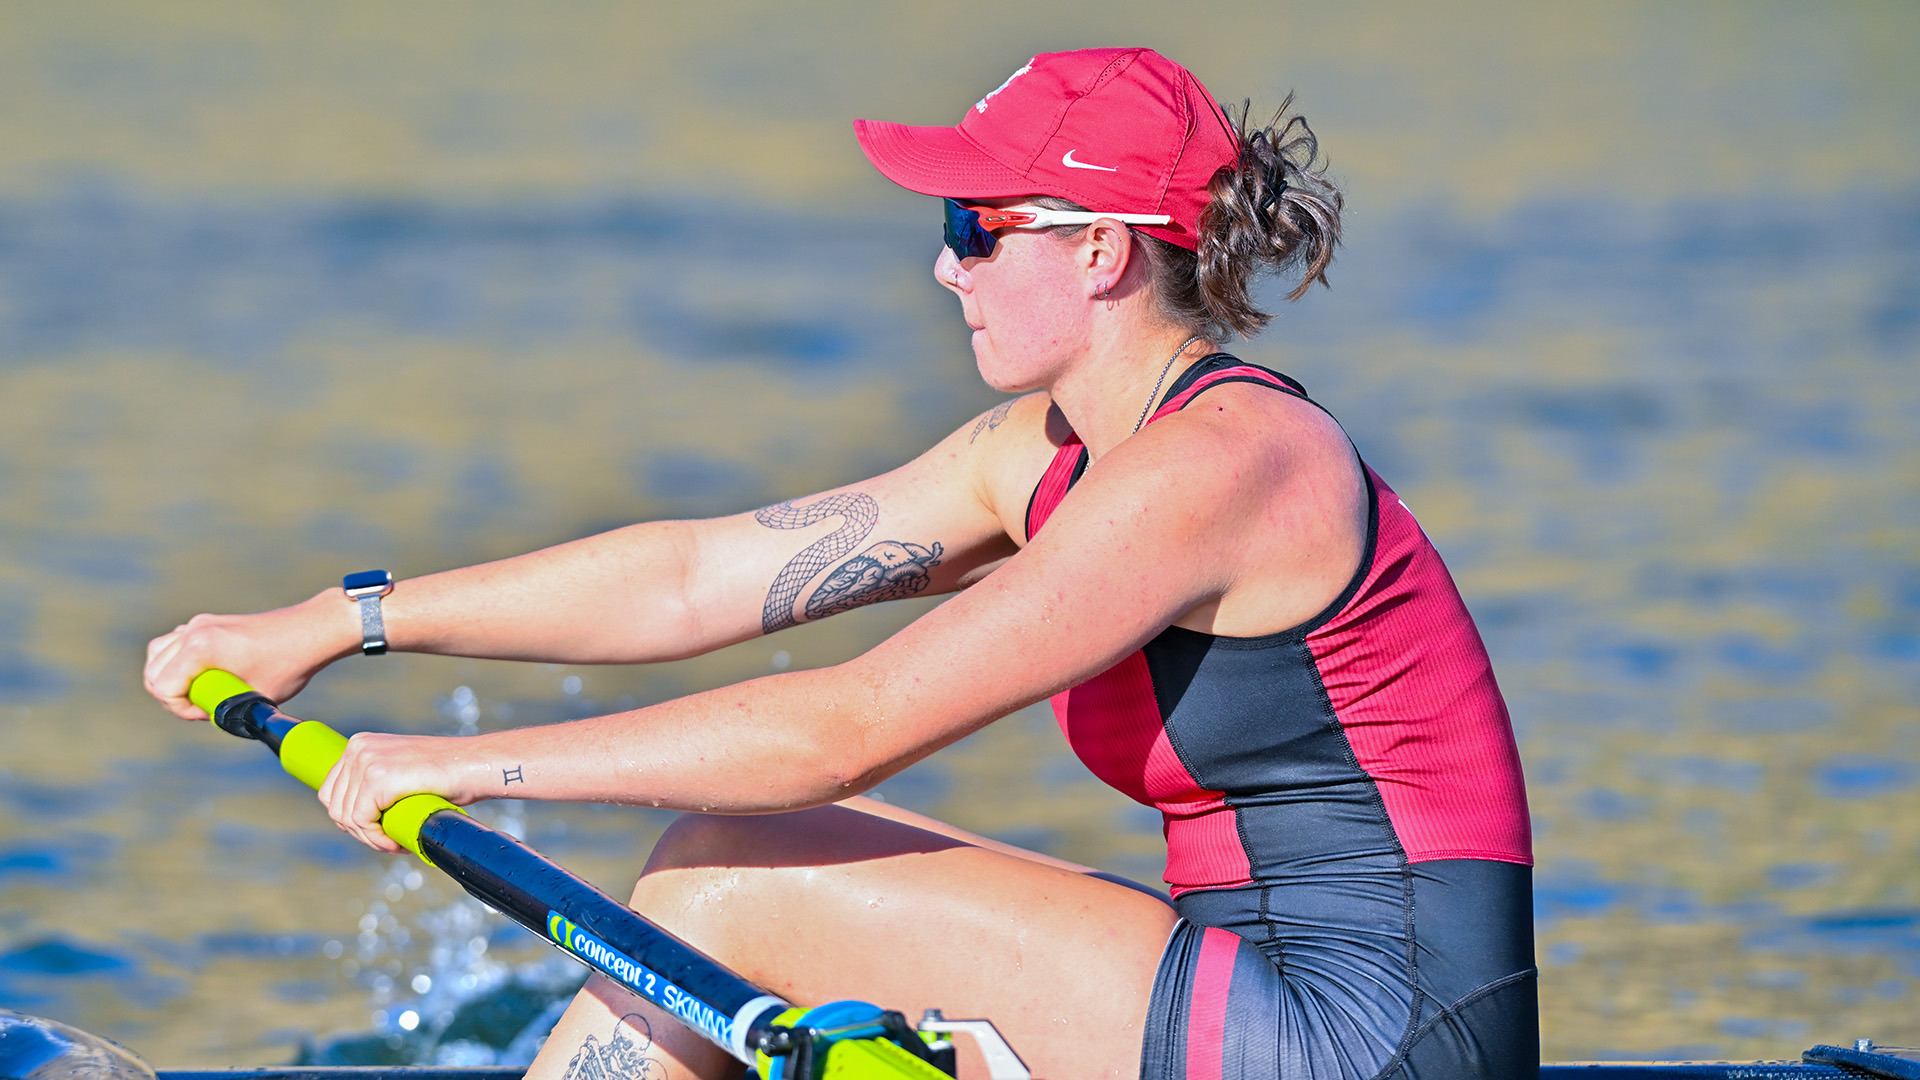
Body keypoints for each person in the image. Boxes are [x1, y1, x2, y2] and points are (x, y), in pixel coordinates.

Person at [144, 47, 1535, 1080]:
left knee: (719, 884)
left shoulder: (1228, 466)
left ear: (1104, 250)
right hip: (1252, 983)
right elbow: (696, 579)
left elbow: (844, 732)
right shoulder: (1040, 454)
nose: (946, 270)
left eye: (972, 228)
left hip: (1377, 1031)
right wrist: (337, 621)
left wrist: (459, 767)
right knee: (728, 881)